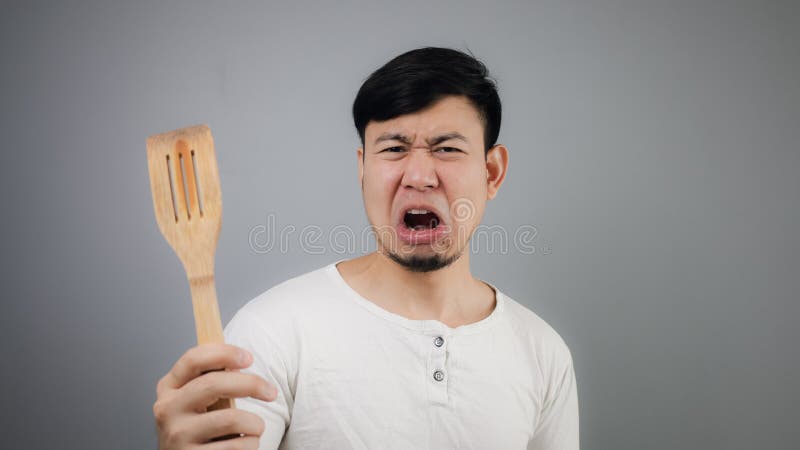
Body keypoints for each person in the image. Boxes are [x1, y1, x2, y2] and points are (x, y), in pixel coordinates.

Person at [153, 46, 579, 450]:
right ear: (362, 169)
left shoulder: (542, 352)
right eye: (394, 149)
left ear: (492, 172)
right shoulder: (271, 333)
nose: (418, 175)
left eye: (446, 149)